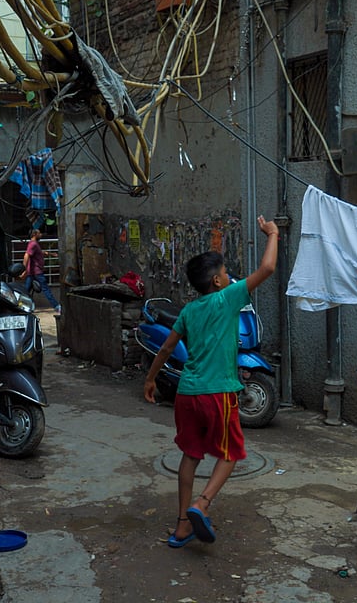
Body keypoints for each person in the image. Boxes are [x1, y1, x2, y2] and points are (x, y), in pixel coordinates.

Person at [143, 215, 279, 548]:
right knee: (231, 453)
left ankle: (181, 527)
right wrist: (273, 233)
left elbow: (166, 348)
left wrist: (150, 379)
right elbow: (268, 269)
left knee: (190, 456)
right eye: (225, 274)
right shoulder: (229, 297)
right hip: (218, 394)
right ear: (217, 282)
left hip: (187, 394)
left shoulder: (189, 310)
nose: (230, 277)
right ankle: (201, 504)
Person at [20, 227, 61, 315]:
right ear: (34, 234)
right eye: (39, 233)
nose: (41, 235)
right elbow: (26, 255)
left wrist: (50, 254)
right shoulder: (33, 244)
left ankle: (21, 306)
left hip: (32, 272)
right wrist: (23, 269)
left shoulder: (34, 244)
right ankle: (57, 306)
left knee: (26, 291)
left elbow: (38, 252)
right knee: (46, 289)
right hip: (36, 271)